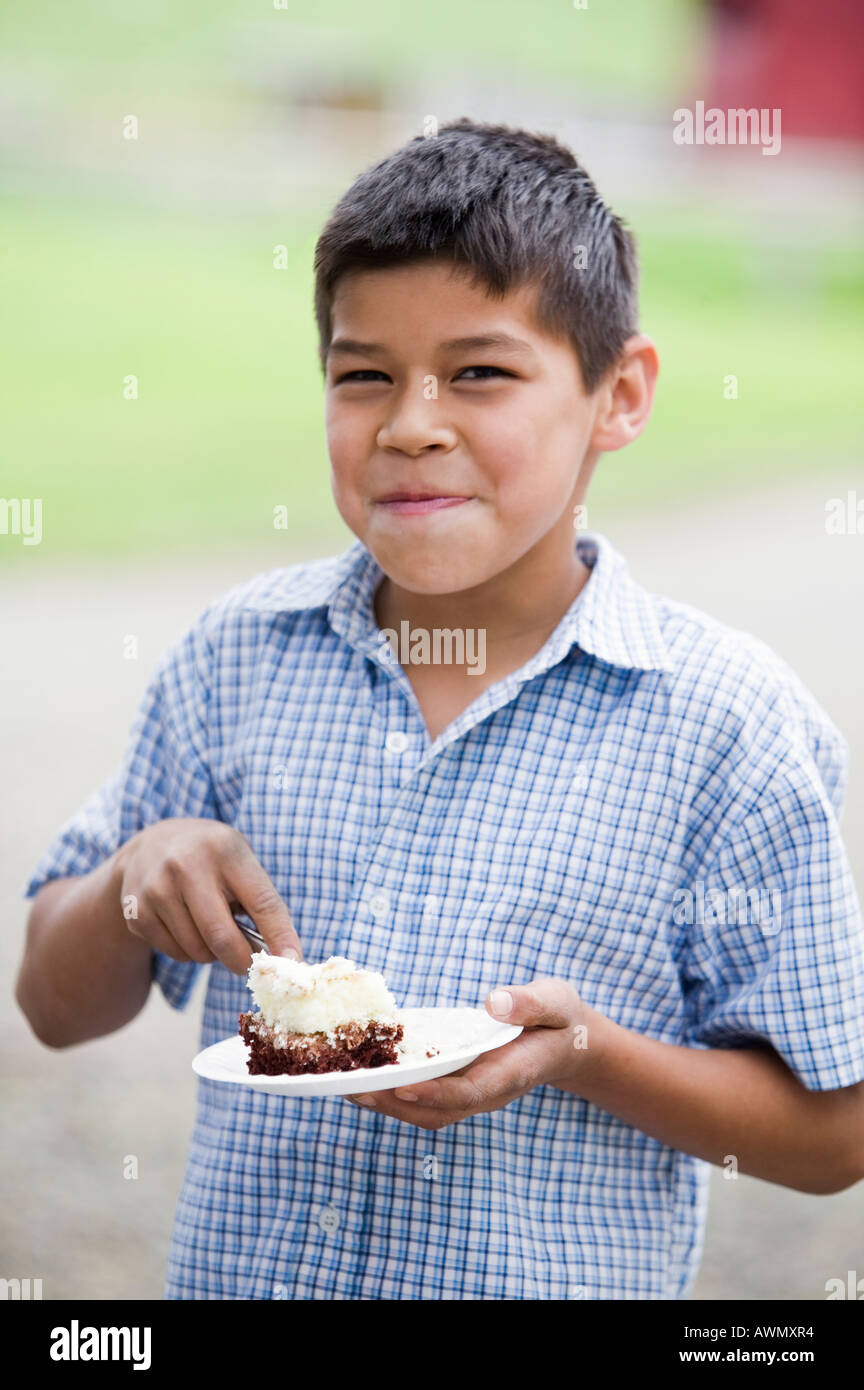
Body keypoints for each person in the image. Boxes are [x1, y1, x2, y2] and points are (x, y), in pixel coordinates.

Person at [16, 118, 864, 1300]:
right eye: (364, 374)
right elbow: (53, 1007)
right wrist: (128, 881)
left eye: (479, 372)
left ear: (619, 395)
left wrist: (585, 1055)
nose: (411, 424)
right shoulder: (238, 661)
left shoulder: (727, 726)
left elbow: (834, 1137)